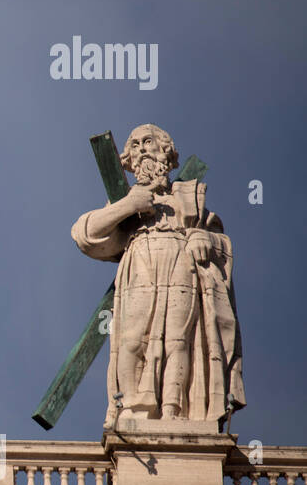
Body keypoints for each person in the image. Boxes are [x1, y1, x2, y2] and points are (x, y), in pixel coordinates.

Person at [73, 124, 243, 424]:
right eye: (134, 145)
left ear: (166, 151)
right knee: (131, 340)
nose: (140, 150)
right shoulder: (125, 202)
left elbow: (222, 243)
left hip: (183, 265)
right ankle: (132, 410)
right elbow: (85, 234)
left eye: (147, 142)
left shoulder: (189, 199)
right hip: (140, 264)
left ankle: (173, 412)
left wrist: (204, 238)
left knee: (179, 340)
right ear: (128, 159)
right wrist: (129, 204)